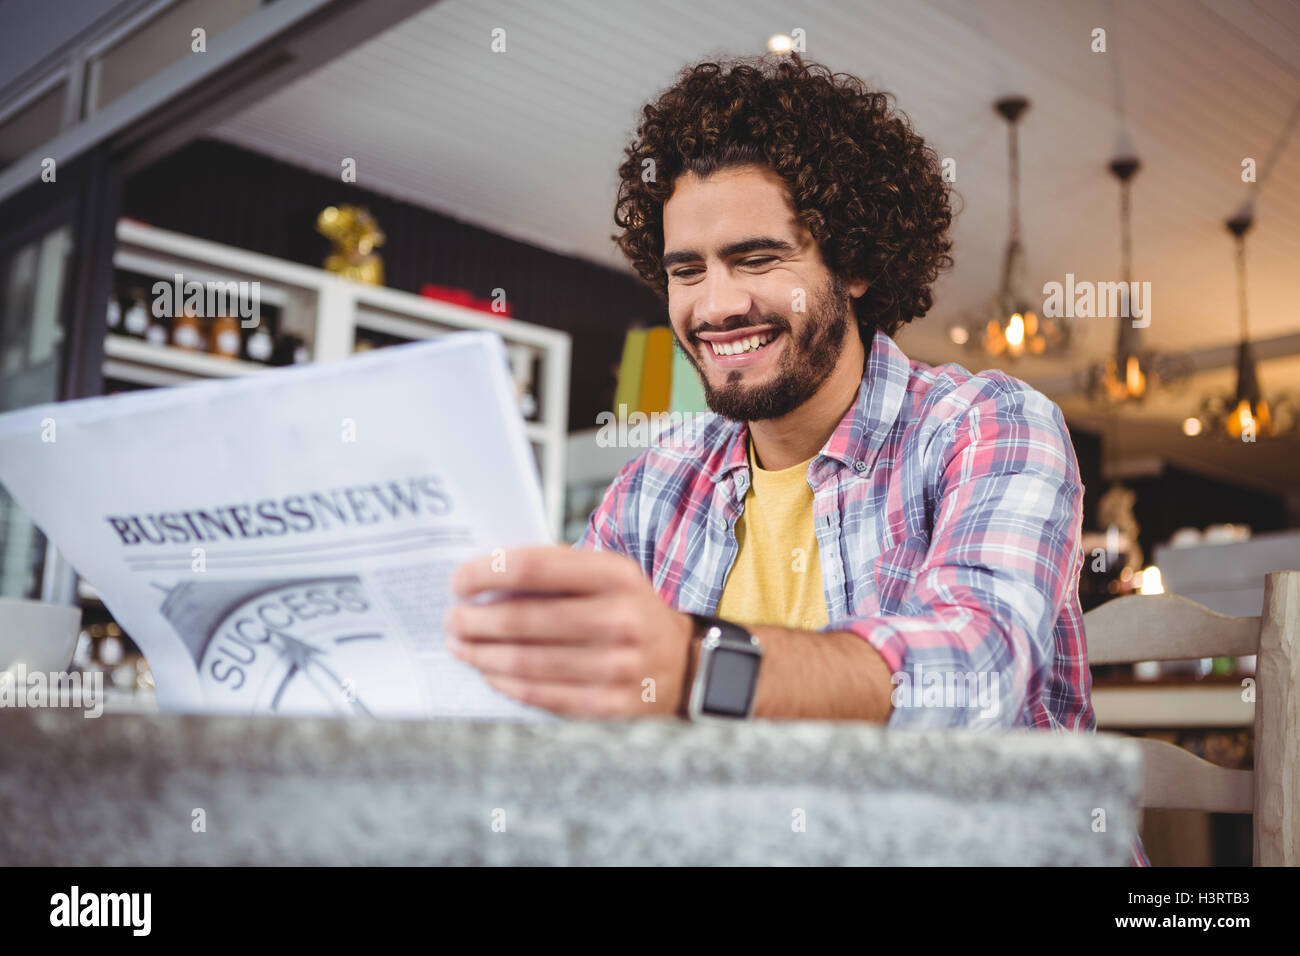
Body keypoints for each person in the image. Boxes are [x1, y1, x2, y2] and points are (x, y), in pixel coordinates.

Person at [444, 53, 1147, 865]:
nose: (716, 307)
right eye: (686, 271)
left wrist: (695, 668)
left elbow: (974, 675)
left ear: (854, 262)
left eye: (757, 259)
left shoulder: (987, 426)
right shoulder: (655, 487)